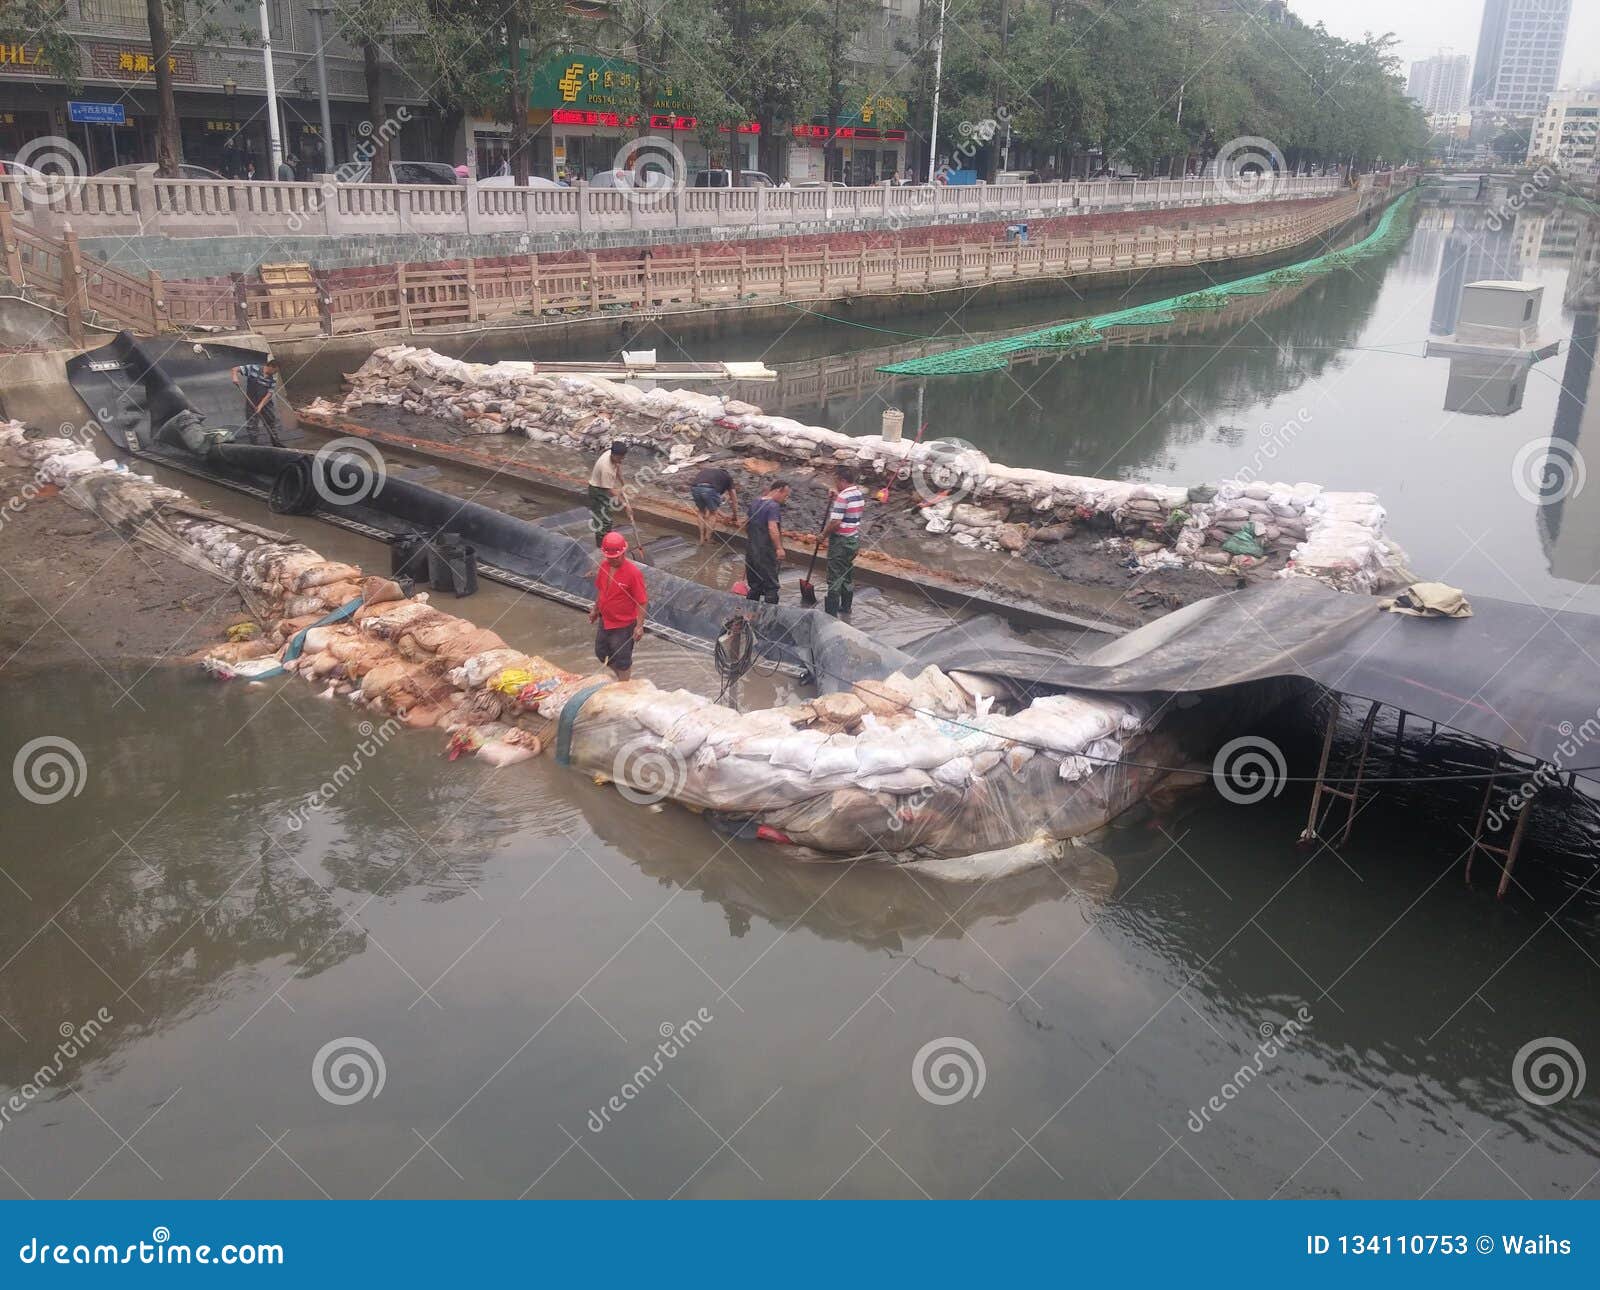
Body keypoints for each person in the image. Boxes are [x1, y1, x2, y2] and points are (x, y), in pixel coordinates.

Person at [590, 531, 647, 680]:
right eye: (609, 558)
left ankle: (624, 684)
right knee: (601, 652)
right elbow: (601, 591)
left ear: (623, 553)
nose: (612, 560)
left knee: (622, 659)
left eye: (615, 558)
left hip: (623, 625)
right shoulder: (604, 566)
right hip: (606, 620)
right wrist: (595, 609)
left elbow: (641, 601)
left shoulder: (633, 573)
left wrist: (639, 626)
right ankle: (620, 678)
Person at [821, 464, 865, 617]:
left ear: (842, 480)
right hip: (853, 540)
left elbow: (836, 523)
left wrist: (823, 535)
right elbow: (846, 513)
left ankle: (829, 614)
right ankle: (846, 607)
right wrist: (836, 498)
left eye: (836, 481)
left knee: (834, 577)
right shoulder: (858, 494)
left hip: (840, 542)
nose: (835, 485)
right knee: (847, 574)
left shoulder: (843, 497)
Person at [743, 479, 789, 605]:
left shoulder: (755, 502)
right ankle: (769, 618)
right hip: (766, 552)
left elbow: (746, 523)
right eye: (785, 495)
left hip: (751, 550)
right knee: (771, 587)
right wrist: (779, 548)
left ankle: (749, 615)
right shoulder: (773, 506)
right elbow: (772, 527)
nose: (786, 499)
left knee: (755, 585)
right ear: (779, 490)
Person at [231, 358, 284, 445]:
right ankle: (254, 444)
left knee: (271, 422)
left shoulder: (273, 377)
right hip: (251, 401)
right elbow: (235, 369)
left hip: (266, 403)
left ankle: (276, 442)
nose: (275, 373)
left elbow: (269, 394)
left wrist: (260, 406)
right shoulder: (253, 368)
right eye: (275, 370)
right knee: (252, 425)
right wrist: (235, 377)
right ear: (271, 367)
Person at [587, 440, 629, 548]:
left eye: (622, 458)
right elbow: (610, 490)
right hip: (597, 490)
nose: (621, 460)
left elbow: (618, 466)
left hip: (603, 487)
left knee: (607, 518)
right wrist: (625, 505)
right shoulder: (606, 468)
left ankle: (608, 540)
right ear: (614, 455)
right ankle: (601, 546)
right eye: (620, 458)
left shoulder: (613, 456)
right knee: (602, 519)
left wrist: (624, 484)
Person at [689, 463, 738, 544]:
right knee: (712, 514)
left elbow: (710, 504)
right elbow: (734, 500)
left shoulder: (708, 472)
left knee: (701, 511)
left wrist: (724, 515)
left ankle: (701, 537)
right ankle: (707, 538)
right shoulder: (728, 478)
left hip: (695, 488)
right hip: (709, 489)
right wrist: (735, 516)